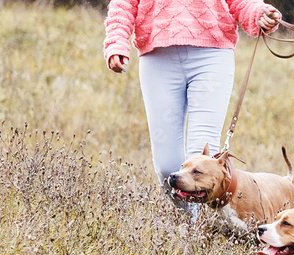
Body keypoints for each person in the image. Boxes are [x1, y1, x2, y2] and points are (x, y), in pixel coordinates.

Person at [103, 0, 281, 220]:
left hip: (212, 55)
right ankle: (189, 223)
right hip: (157, 57)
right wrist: (117, 41)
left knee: (203, 158)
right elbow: (124, 3)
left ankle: (207, 231)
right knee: (168, 166)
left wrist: (259, 14)